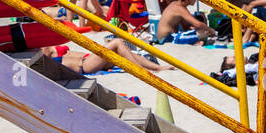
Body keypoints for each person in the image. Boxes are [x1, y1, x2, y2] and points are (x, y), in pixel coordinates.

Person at [42, 37, 172, 75]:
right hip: (85, 65)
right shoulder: (42, 52)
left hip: (89, 58)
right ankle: (141, 70)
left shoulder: (46, 44)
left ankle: (157, 68)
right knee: (117, 42)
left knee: (123, 52)